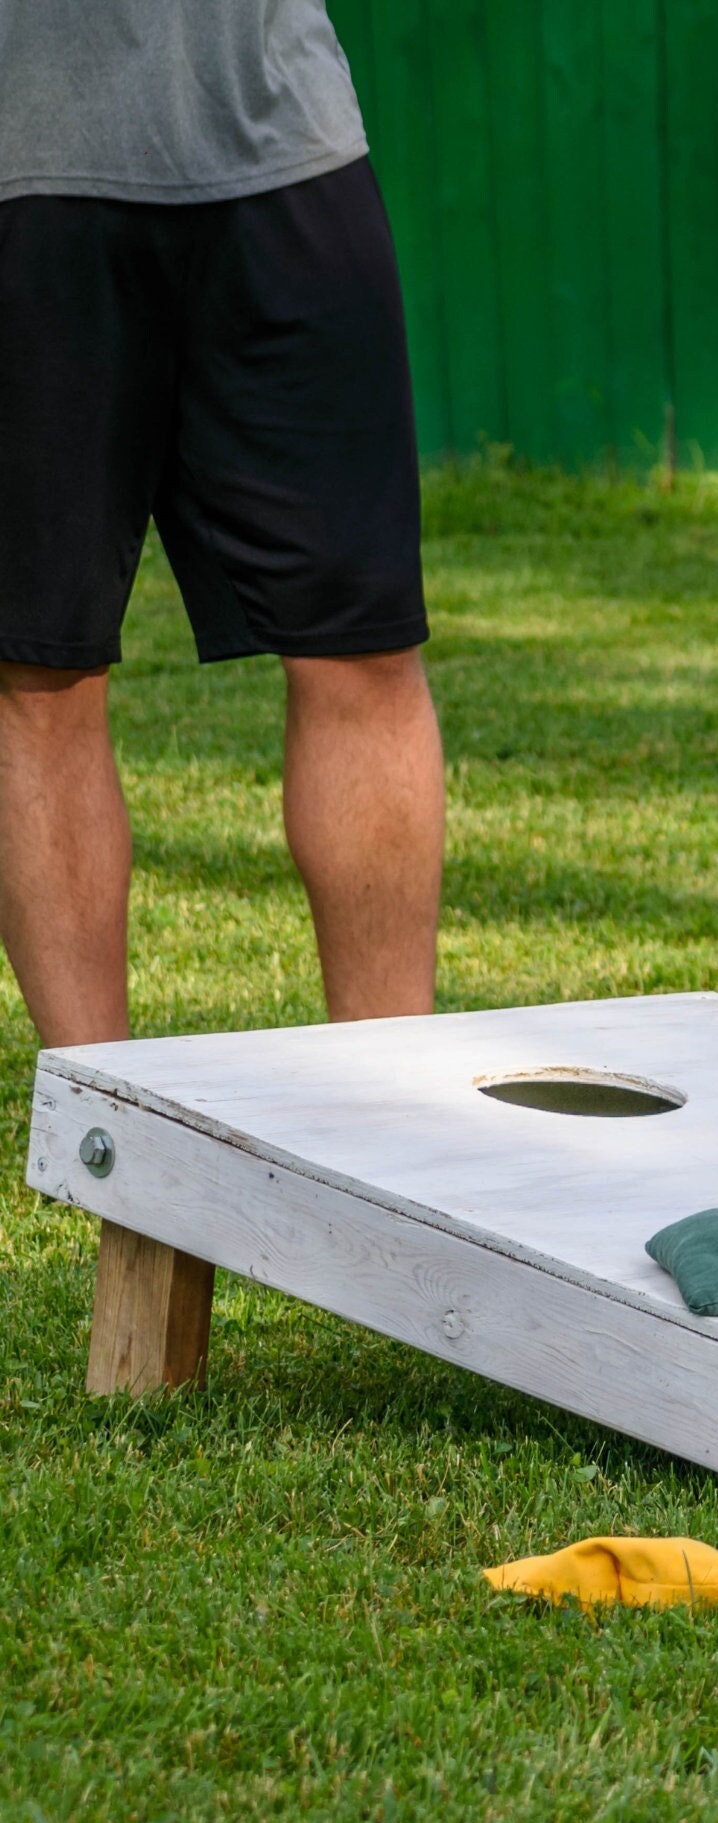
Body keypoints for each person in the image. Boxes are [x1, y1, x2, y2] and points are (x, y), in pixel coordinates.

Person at [0, 0, 444, 1049]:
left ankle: (390, 1143)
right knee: (40, 676)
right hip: (22, 161)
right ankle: (118, 1174)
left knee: (363, 649)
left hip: (283, 138)